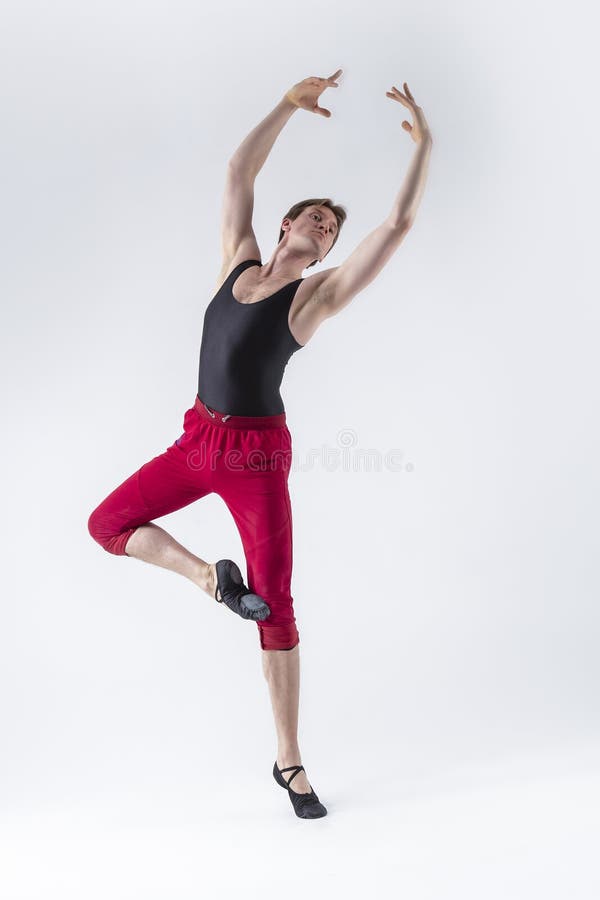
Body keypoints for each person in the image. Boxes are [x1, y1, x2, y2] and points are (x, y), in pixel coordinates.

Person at [87, 70, 432, 819]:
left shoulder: (314, 298)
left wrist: (424, 149)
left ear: (322, 252)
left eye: (332, 229)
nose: (324, 226)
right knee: (105, 525)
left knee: (275, 608)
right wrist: (286, 105)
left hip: (255, 460)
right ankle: (211, 581)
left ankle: (290, 762)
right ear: (285, 226)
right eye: (314, 216)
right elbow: (240, 171)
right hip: (195, 439)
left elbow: (396, 227)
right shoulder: (237, 258)